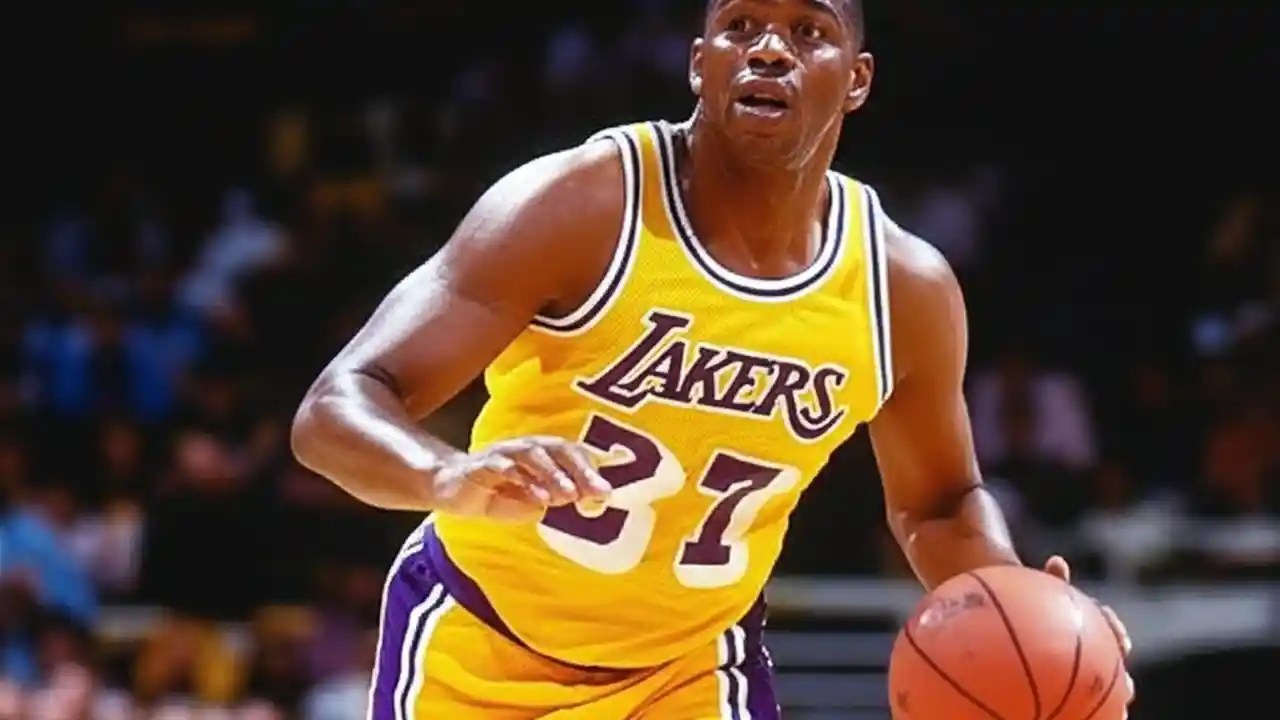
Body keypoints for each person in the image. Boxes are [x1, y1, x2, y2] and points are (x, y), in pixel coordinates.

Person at [291, 1, 1134, 717]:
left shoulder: (900, 287)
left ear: (859, 78)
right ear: (700, 64)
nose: (769, 48)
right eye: (741, 26)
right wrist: (445, 475)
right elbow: (336, 408)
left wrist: (1031, 615)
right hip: (483, 645)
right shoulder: (581, 205)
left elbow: (942, 503)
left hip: (695, 670)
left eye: (808, 31)